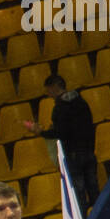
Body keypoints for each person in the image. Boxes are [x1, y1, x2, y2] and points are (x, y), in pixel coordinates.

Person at [24, 74, 98, 210]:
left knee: (79, 194)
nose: (48, 94)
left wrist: (41, 132)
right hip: (88, 150)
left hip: (73, 155)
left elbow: (61, 132)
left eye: (48, 90)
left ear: (54, 87)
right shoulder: (81, 102)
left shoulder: (60, 108)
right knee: (93, 189)